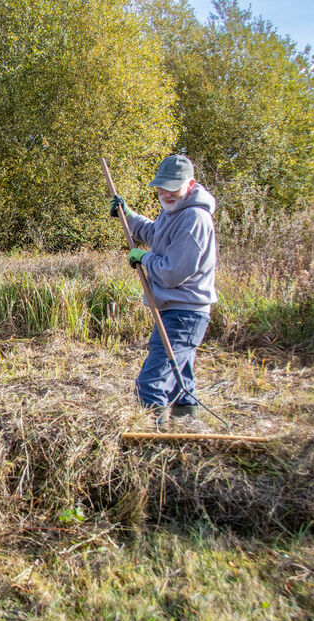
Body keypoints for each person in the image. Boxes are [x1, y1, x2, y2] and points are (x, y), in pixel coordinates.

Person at [110, 154, 217, 424]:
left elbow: (173, 272)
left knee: (151, 383)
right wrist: (127, 214)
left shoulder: (193, 218)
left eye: (173, 187)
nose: (165, 193)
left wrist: (143, 258)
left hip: (184, 313)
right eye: (161, 187)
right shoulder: (174, 210)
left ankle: (152, 442)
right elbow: (154, 233)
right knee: (181, 383)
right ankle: (186, 430)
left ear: (190, 184)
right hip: (175, 309)